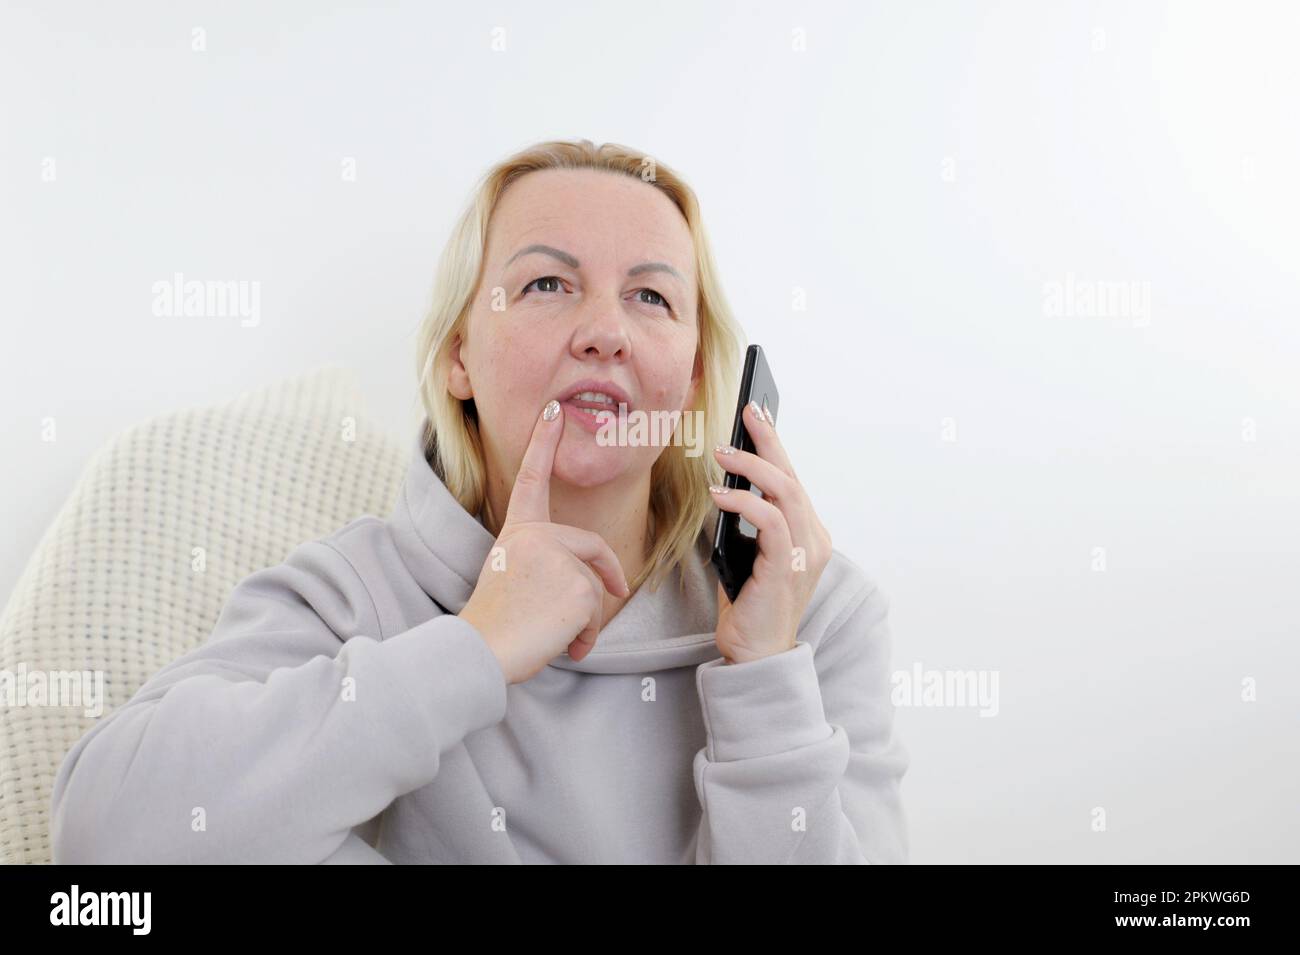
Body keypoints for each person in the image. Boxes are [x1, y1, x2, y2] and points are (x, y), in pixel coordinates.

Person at [49, 138, 909, 864]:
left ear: (691, 378)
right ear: (459, 353)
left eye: (650, 295)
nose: (604, 329)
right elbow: (102, 834)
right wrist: (475, 646)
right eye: (547, 284)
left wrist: (765, 677)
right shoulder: (358, 594)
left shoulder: (815, 618)